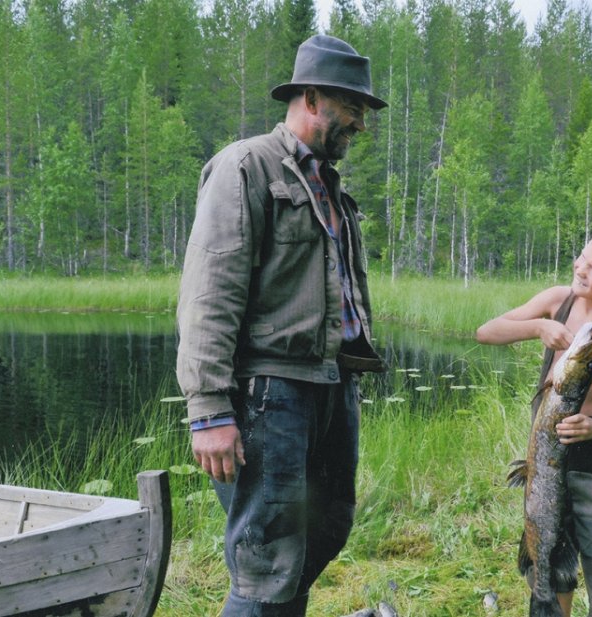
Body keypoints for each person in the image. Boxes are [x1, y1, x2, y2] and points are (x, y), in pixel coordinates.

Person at [176, 34, 387, 616]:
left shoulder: (329, 184)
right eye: (353, 108)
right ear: (312, 98)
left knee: (323, 532)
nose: (361, 124)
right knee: (266, 559)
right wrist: (209, 409)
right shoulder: (246, 166)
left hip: (330, 385)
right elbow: (209, 292)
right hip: (269, 394)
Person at [476, 224, 592, 617]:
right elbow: (487, 332)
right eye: (583, 257)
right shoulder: (557, 301)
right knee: (548, 552)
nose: (580, 268)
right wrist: (537, 326)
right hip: (546, 462)